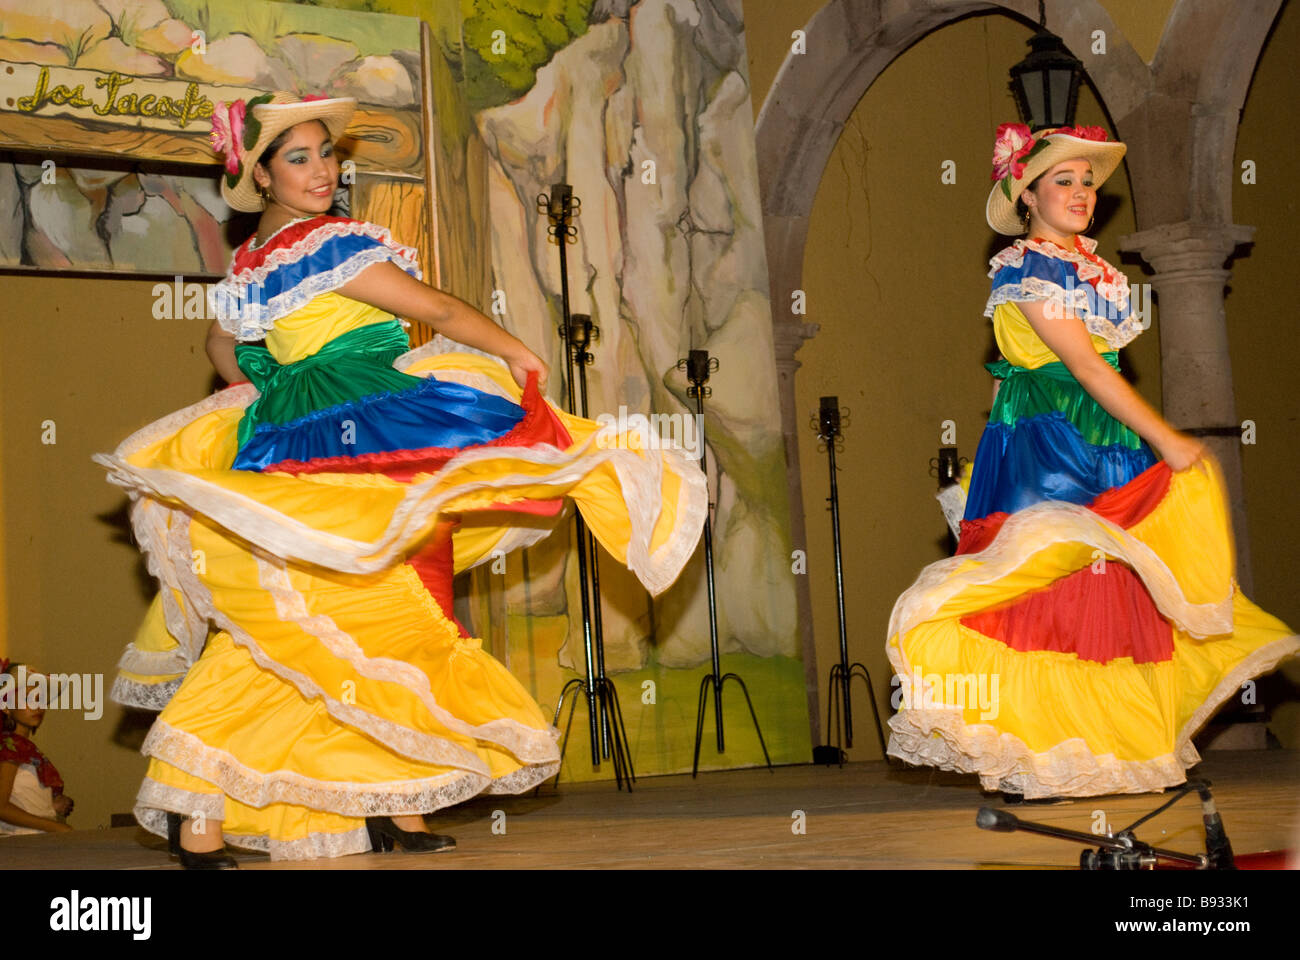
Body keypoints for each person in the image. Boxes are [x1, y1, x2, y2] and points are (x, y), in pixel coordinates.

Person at [94, 92, 706, 866]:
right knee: (332, 621)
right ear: (264, 175)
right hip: (355, 437)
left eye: (327, 152)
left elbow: (223, 345)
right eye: (299, 157)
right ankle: (196, 808)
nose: (323, 169)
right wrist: (518, 351)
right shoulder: (323, 244)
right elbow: (440, 313)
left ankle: (391, 804)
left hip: (304, 437)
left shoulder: (254, 258)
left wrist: (268, 390)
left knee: (371, 615)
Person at [885, 123, 1299, 800]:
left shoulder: (1077, 269)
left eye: (1087, 182)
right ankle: (1039, 753)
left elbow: (1028, 371)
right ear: (1028, 195)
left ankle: (1099, 750)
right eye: (1063, 181)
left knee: (1109, 590)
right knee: (1051, 587)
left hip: (1092, 436)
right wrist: (1167, 437)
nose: (1081, 193)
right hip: (1055, 443)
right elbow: (1081, 365)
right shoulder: (1034, 268)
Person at [0, 660, 76, 836]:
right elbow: (1, 807)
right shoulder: (8, 748)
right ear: (5, 707)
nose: (37, 706)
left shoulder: (26, 749)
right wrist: (56, 827)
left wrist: (52, 805)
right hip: (17, 846)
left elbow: (21, 798)